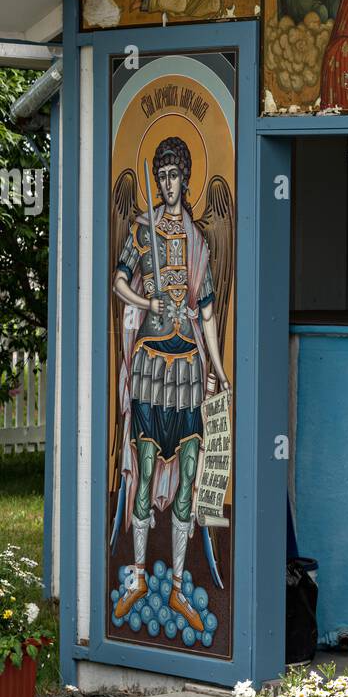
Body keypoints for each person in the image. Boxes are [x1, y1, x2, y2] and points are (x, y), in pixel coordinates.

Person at [112, 135, 231, 632]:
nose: (166, 182)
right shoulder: (141, 233)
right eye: (160, 175)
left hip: (186, 372)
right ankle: (138, 575)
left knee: (186, 476)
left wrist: (219, 369)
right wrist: (146, 305)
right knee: (141, 470)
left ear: (186, 179)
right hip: (148, 368)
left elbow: (206, 312)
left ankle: (179, 587)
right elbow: (119, 281)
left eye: (173, 174)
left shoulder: (199, 240)